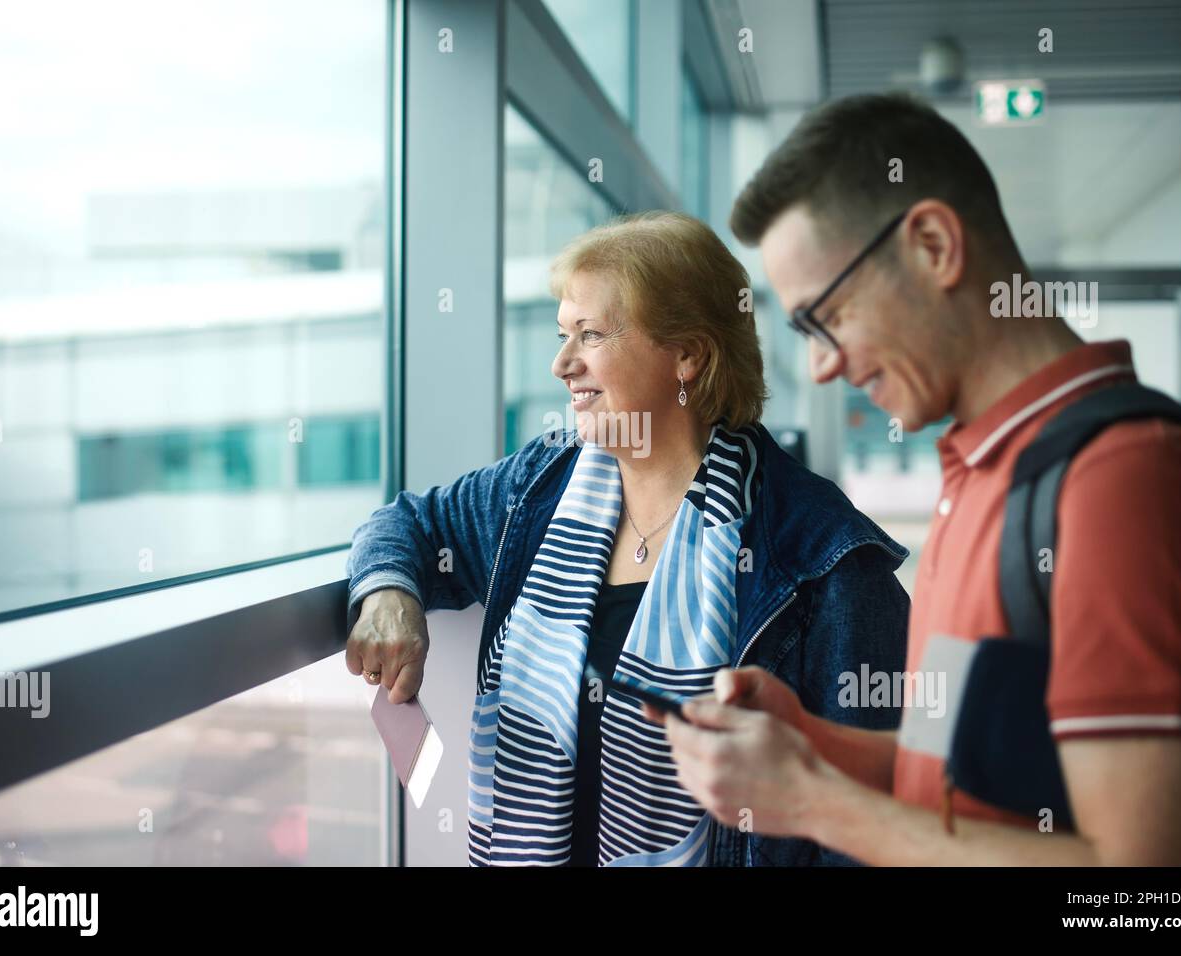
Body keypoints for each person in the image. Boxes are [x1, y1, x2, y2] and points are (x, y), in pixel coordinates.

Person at [654, 93, 1181, 866]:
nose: (823, 364)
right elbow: (956, 770)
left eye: (825, 317)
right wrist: (812, 745)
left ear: (933, 244)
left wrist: (814, 804)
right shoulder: (978, 474)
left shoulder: (1124, 483)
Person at [344, 211, 911, 866]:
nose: (562, 364)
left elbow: (871, 822)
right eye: (564, 335)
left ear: (688, 354)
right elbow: (408, 522)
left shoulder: (822, 557)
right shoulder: (539, 488)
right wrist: (386, 591)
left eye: (590, 335)